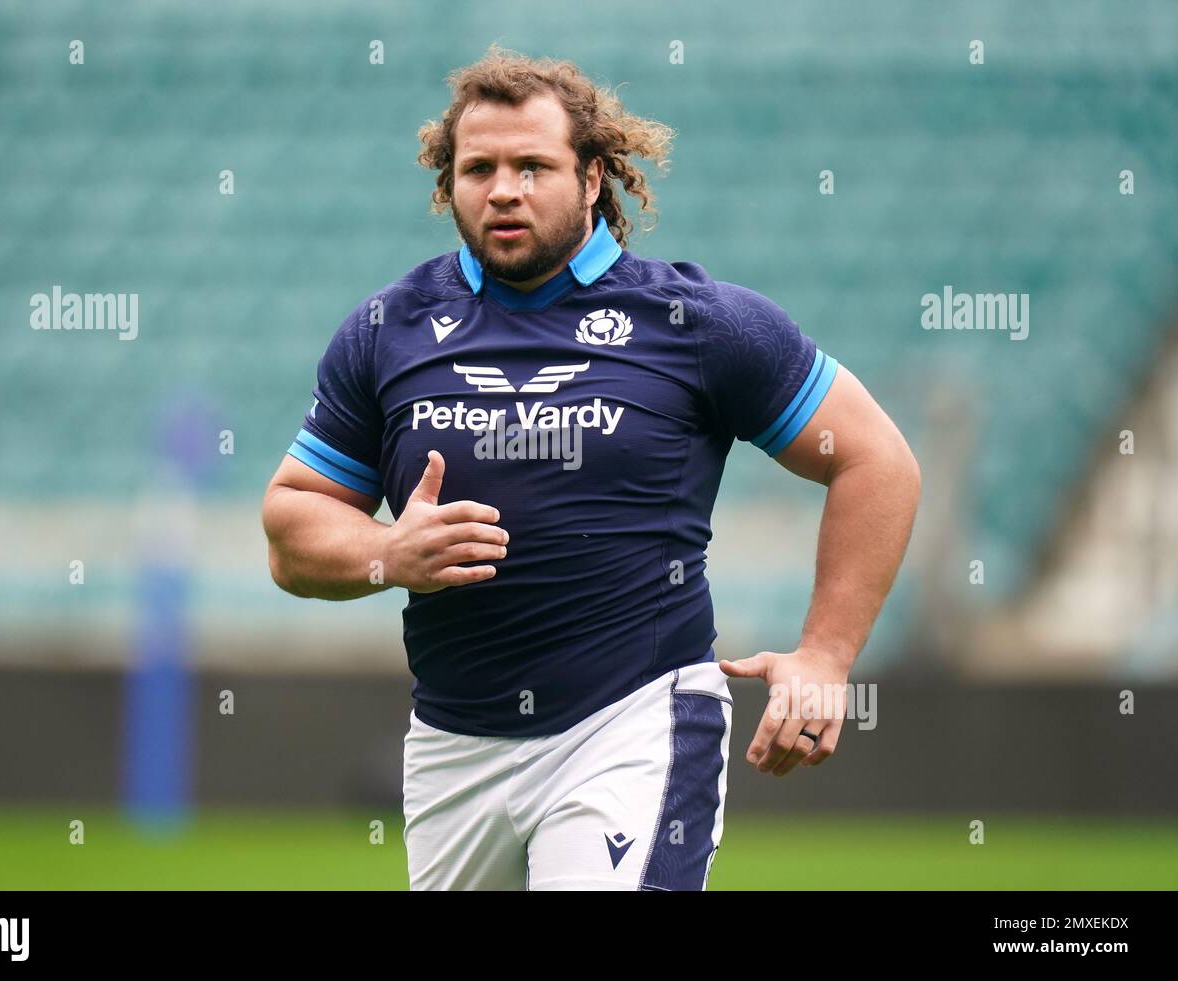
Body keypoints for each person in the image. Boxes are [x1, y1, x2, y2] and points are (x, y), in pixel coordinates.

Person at [262, 45, 920, 890]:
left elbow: (877, 459)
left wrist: (825, 655)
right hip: (452, 747)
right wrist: (386, 552)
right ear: (447, 184)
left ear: (594, 176)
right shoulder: (388, 328)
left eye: (533, 165)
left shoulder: (696, 322)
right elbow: (291, 529)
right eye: (479, 169)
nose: (504, 189)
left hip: (633, 723)